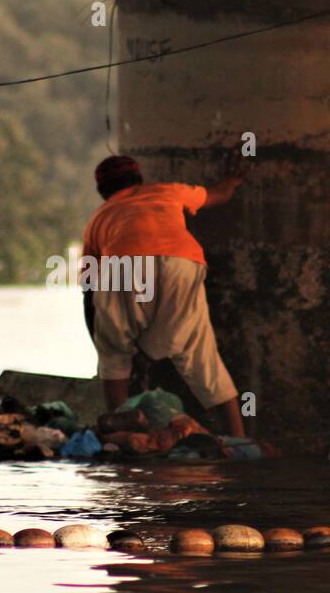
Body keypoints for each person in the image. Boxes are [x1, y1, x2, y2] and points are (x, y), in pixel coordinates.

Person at [81, 154, 246, 438]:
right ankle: (240, 441)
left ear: (102, 191)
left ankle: (124, 437)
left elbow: (89, 286)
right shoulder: (166, 191)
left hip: (122, 263)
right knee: (200, 354)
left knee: (114, 355)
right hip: (181, 261)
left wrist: (101, 337)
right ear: (139, 179)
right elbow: (219, 194)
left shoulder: (99, 217)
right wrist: (234, 178)